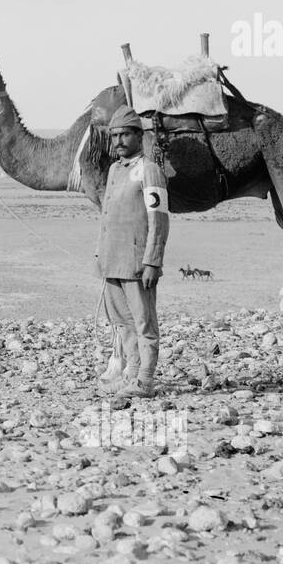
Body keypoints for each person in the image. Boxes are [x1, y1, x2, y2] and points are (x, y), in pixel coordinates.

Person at [94, 106, 169, 398]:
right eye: (114, 136)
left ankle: (146, 380)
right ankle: (132, 375)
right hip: (112, 260)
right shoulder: (114, 170)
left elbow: (159, 219)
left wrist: (153, 260)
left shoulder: (149, 171)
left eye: (125, 134)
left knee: (143, 323)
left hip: (138, 262)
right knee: (121, 324)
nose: (119, 141)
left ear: (139, 136)